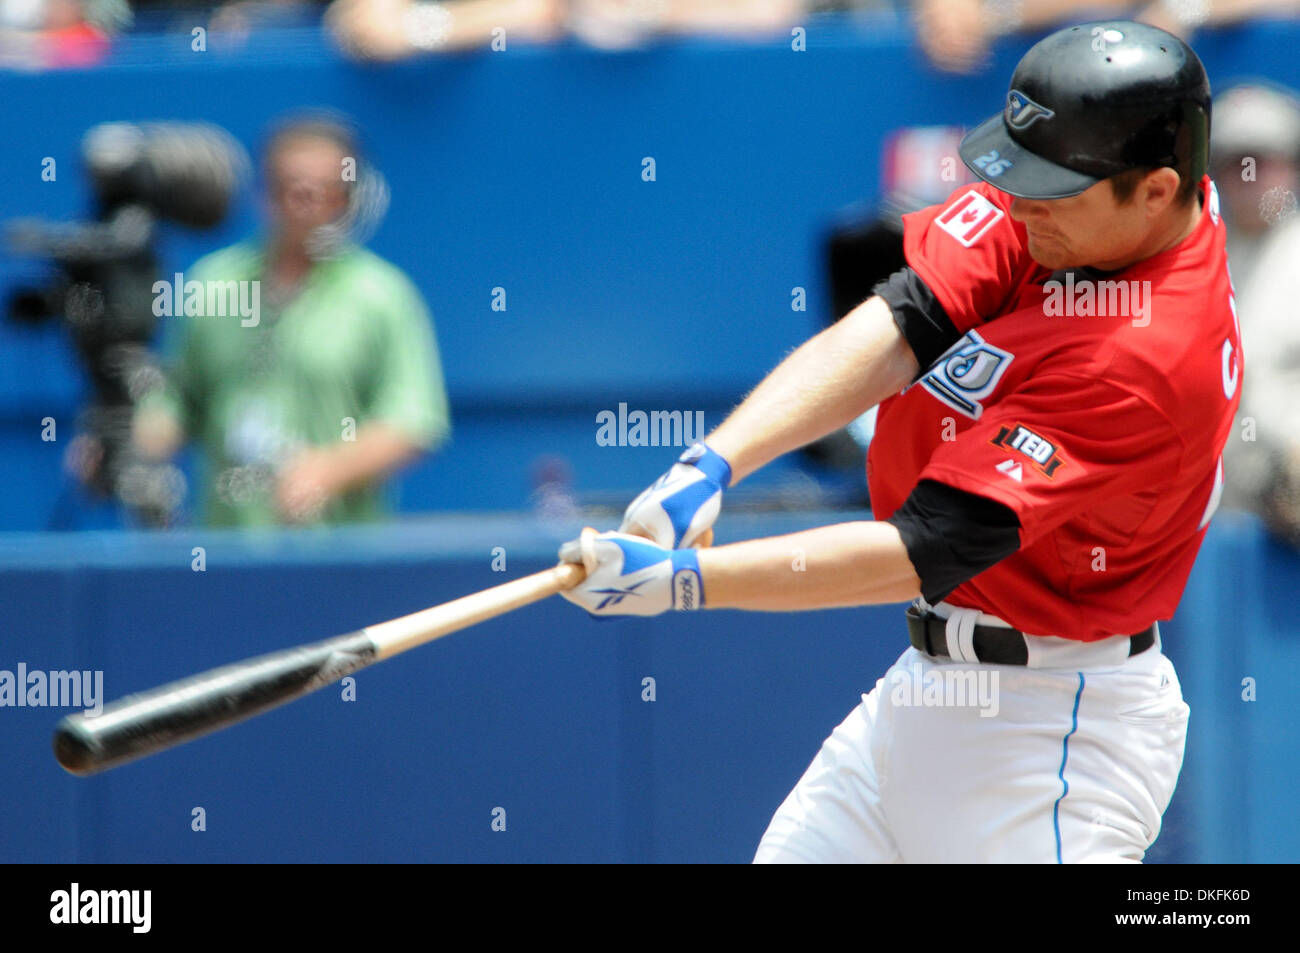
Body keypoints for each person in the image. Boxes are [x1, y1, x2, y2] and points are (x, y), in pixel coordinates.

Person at [556, 21, 1239, 863]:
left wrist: (690, 583)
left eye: (1051, 189)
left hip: (1054, 730)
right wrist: (708, 466)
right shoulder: (1072, 198)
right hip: (926, 691)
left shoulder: (1150, 355)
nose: (1019, 205)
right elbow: (899, 325)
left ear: (1157, 189)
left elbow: (925, 547)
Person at [133, 115, 450, 527]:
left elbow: (414, 420)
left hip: (339, 554)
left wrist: (328, 470)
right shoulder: (212, 284)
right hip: (226, 551)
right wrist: (128, 445)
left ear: (352, 197)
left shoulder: (381, 296)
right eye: (290, 188)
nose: (305, 204)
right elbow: (175, 403)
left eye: (326, 191)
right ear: (263, 193)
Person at [1209, 84, 1300, 543]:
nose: (1252, 177)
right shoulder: (1196, 259)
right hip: (1221, 514)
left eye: (1266, 162)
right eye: (1238, 163)